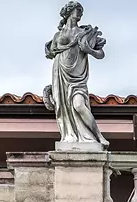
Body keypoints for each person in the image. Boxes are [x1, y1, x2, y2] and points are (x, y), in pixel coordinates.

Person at [44, 2, 108, 149]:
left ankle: (98, 136)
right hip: (60, 73)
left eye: (81, 10)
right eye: (77, 10)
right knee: (64, 107)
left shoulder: (84, 33)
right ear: (68, 12)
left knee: (79, 105)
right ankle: (70, 136)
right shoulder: (58, 35)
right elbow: (52, 53)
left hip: (78, 77)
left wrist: (89, 50)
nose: (79, 13)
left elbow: (101, 54)